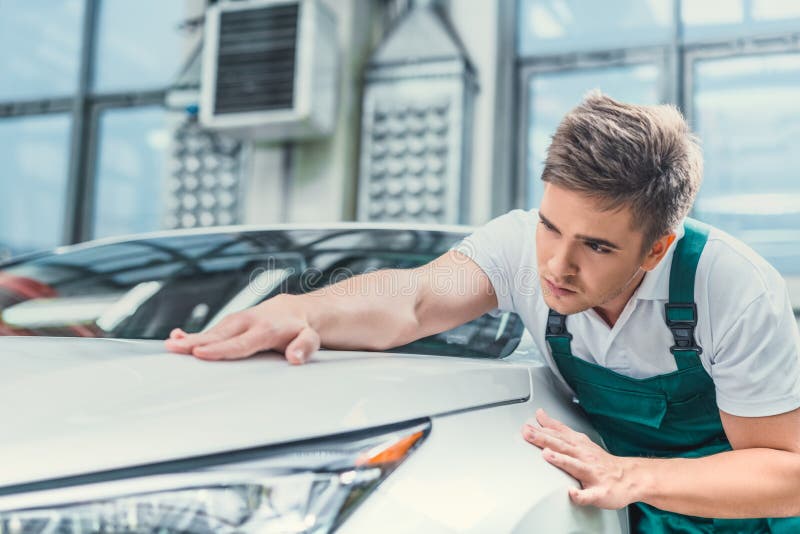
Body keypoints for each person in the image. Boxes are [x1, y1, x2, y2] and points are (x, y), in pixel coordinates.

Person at [165, 93, 800, 532]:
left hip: (752, 514)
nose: (557, 265)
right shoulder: (519, 245)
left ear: (657, 245)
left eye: (597, 246)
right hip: (631, 509)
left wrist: (630, 474)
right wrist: (306, 309)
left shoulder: (731, 289)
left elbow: (785, 471)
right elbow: (412, 300)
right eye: (551, 227)